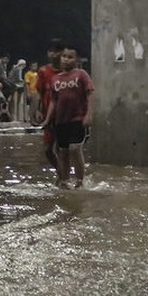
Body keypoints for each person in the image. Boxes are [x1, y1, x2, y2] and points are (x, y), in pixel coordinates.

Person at [40, 44, 94, 188]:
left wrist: (89, 114)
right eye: (64, 56)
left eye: (70, 57)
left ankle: (80, 181)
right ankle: (64, 180)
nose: (66, 60)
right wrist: (47, 119)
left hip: (77, 118)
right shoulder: (55, 79)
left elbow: (90, 94)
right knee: (62, 151)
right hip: (60, 121)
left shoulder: (81, 74)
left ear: (76, 60)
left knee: (75, 148)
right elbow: (53, 101)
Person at [35, 38, 64, 170]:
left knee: (61, 148)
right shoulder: (43, 72)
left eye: (56, 51)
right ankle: (61, 171)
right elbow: (39, 93)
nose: (52, 55)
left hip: (64, 115)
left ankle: (64, 176)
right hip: (48, 115)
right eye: (50, 51)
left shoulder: (67, 71)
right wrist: (37, 110)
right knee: (47, 149)